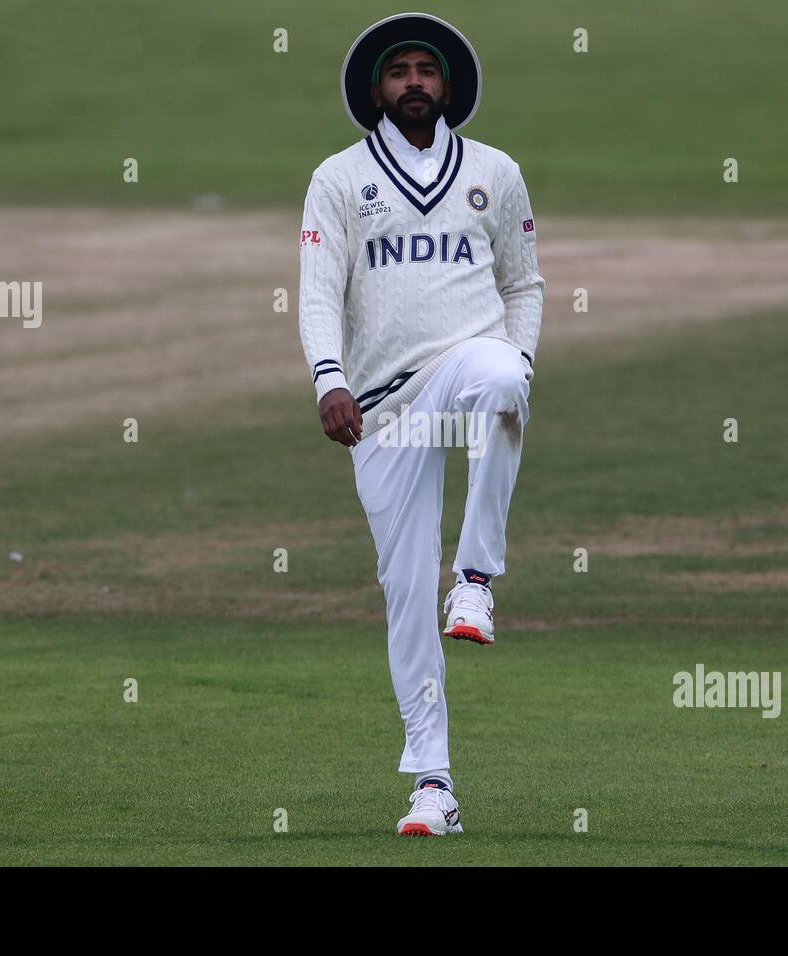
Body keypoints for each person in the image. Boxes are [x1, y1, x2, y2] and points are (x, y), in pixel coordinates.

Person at [297, 13, 544, 836]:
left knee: (505, 382)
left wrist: (523, 353)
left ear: (448, 86)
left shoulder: (495, 173)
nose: (413, 82)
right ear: (377, 88)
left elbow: (525, 286)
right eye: (398, 71)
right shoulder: (337, 178)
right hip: (382, 406)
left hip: (465, 362)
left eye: (425, 70)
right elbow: (319, 289)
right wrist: (329, 378)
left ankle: (474, 580)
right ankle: (433, 786)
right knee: (405, 594)